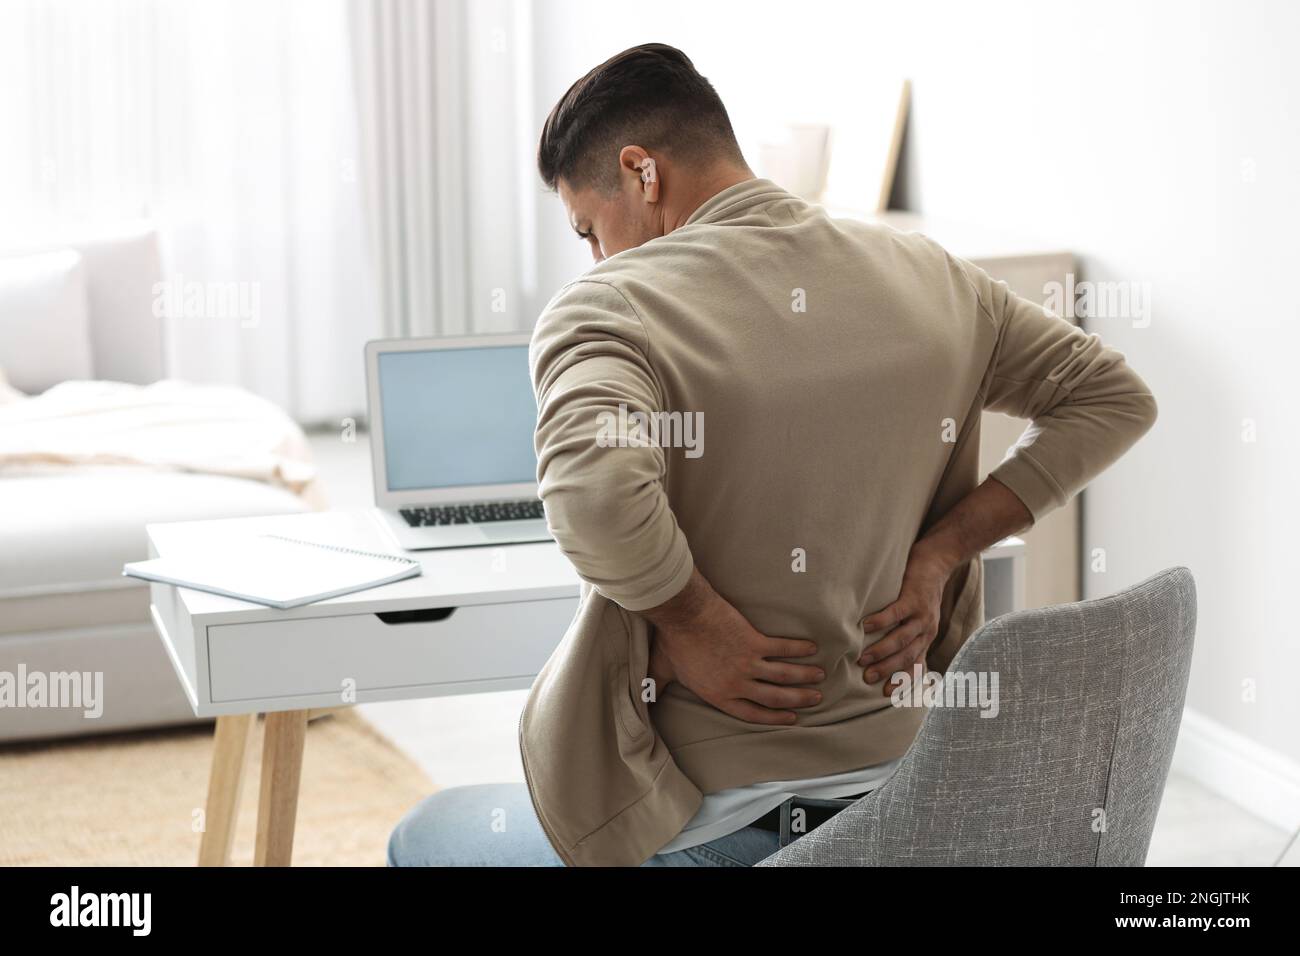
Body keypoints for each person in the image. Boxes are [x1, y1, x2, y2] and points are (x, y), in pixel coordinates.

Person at [389, 42, 1157, 867]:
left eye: (589, 227)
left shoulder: (608, 307)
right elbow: (1113, 400)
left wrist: (693, 620)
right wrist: (942, 553)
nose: (597, 255)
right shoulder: (931, 273)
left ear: (642, 172)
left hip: (709, 818)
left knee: (421, 836)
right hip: (908, 800)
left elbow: (596, 499)